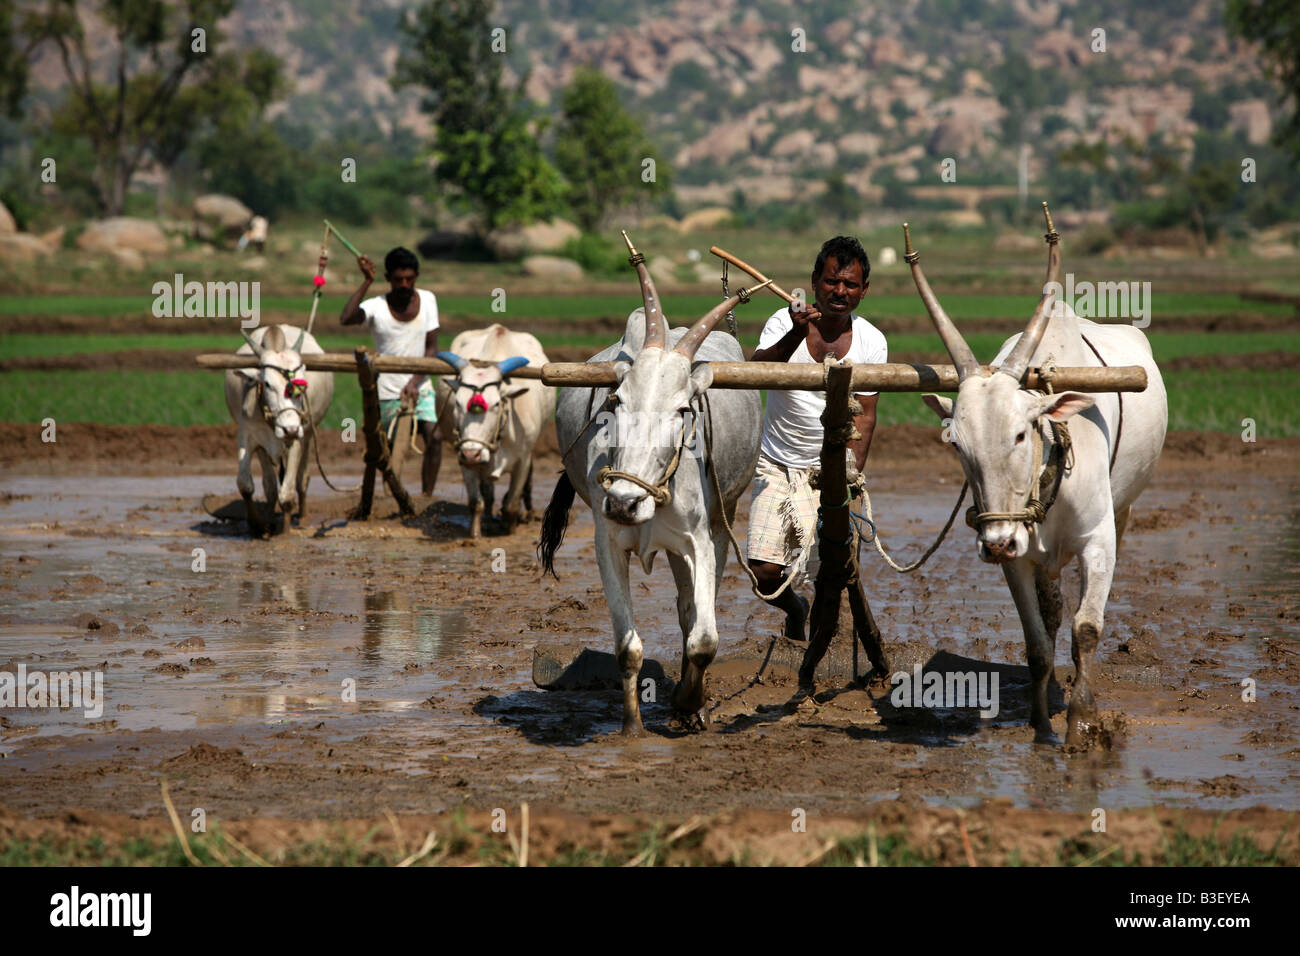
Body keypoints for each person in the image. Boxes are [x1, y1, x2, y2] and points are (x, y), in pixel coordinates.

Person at [746, 236, 886, 641]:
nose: (839, 291)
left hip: (829, 469)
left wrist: (849, 474)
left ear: (863, 291)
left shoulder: (871, 341)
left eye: (850, 285)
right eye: (830, 282)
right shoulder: (781, 322)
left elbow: (868, 415)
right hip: (777, 463)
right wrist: (794, 333)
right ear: (813, 282)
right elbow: (757, 372)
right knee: (765, 574)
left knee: (834, 569)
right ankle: (796, 607)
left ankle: (820, 647)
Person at [339, 246, 442, 494]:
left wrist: (415, 383)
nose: (405, 284)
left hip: (420, 385)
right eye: (398, 280)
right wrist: (366, 281)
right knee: (389, 448)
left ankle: (426, 497)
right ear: (388, 279)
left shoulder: (428, 300)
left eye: (409, 279)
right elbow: (347, 318)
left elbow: (431, 348)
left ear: (416, 276)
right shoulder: (376, 306)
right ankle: (391, 495)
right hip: (386, 389)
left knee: (435, 438)